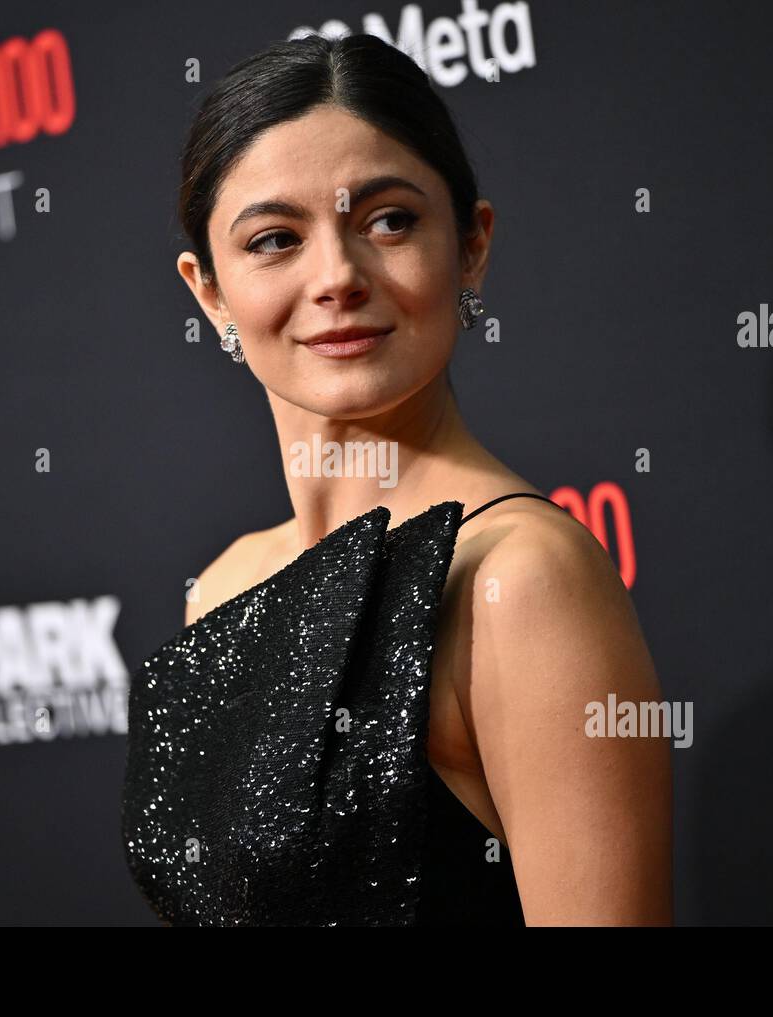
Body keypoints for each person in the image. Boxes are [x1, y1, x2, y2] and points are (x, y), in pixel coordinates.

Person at [121, 32, 671, 926]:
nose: (337, 277)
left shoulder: (517, 581)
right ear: (209, 293)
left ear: (472, 246)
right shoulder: (222, 587)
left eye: (389, 221)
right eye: (274, 239)